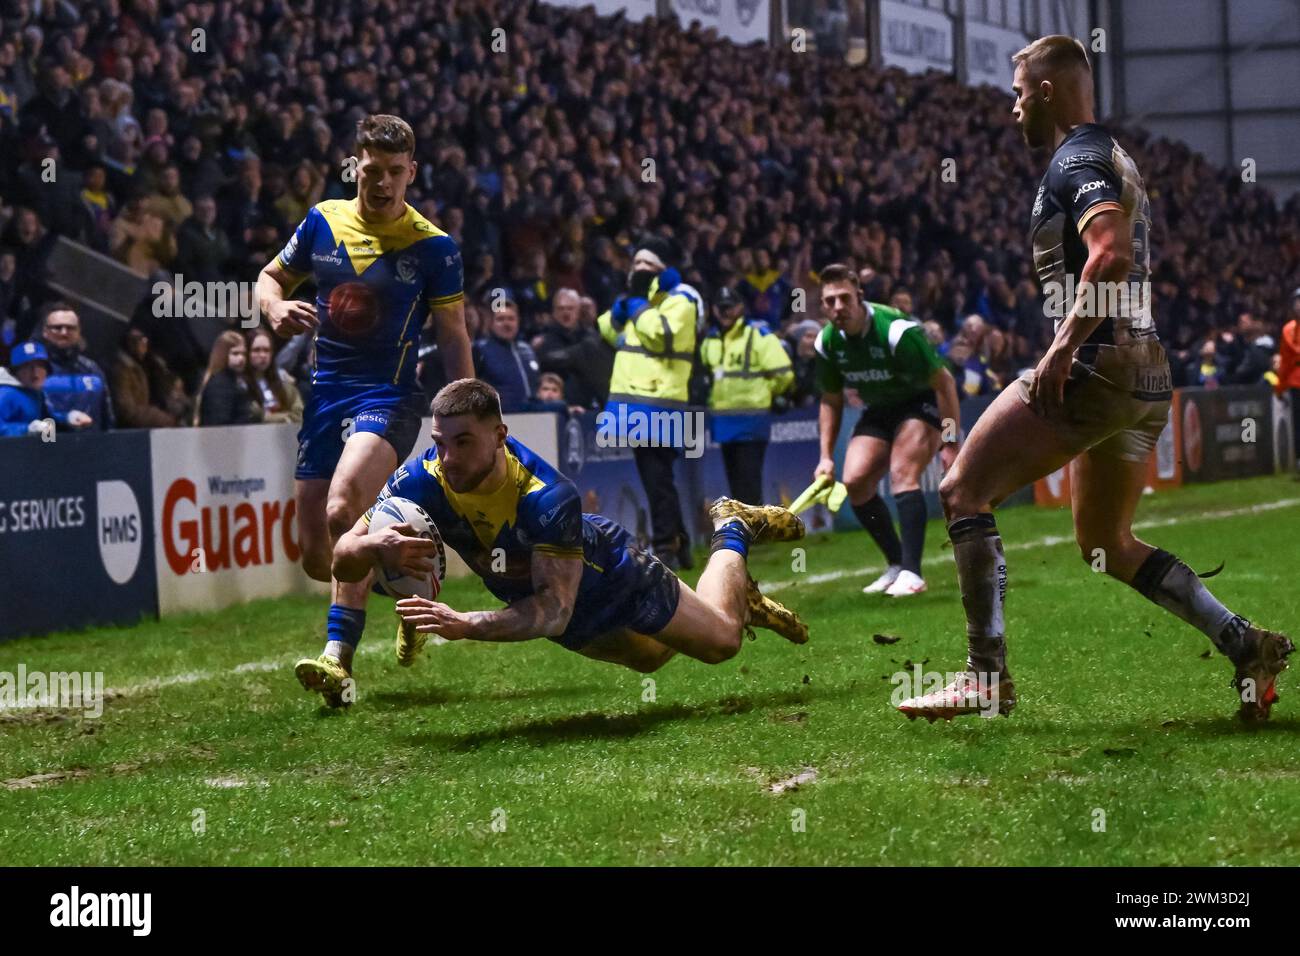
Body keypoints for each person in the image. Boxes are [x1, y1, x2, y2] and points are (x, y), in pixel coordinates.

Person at [899, 35, 1291, 723]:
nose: (1013, 108)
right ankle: (1243, 642)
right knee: (1106, 542)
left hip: (1097, 365)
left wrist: (1062, 347)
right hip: (1145, 372)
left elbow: (1106, 253)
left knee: (963, 489)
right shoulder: (1113, 156)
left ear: (1046, 91)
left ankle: (985, 676)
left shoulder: (1075, 157)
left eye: (1019, 93)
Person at [307, 379, 808, 707]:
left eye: (463, 442)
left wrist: (466, 625)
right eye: (439, 442)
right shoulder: (421, 479)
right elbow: (343, 562)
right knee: (650, 658)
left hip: (611, 575)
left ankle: (732, 527)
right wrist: (373, 550)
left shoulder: (546, 497)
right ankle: (743, 600)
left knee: (721, 642)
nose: (448, 457)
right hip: (548, 599)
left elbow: (552, 612)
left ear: (499, 435)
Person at [261, 115, 474, 695]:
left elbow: (454, 333)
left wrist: (468, 412)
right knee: (317, 557)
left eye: (395, 173)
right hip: (324, 395)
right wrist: (274, 309)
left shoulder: (433, 248)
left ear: (412, 172)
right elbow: (268, 277)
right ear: (356, 165)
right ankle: (411, 583)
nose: (382, 183)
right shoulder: (323, 220)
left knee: (343, 507)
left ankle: (338, 659)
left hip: (389, 396)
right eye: (372, 170)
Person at [813, 264, 961, 597]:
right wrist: (824, 457)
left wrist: (950, 442)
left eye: (844, 299)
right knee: (855, 482)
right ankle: (896, 564)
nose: (838, 307)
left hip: (921, 402)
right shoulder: (827, 343)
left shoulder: (897, 331)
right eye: (830, 301)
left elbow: (945, 383)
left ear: (859, 297)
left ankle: (913, 572)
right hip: (879, 409)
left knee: (902, 474)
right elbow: (830, 400)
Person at [597, 236, 705, 570]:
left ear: (664, 269)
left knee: (657, 480)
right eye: (636, 264)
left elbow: (662, 336)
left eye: (648, 265)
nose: (639, 270)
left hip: (661, 402)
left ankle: (666, 546)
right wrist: (627, 303)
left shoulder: (681, 298)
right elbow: (608, 330)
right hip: (637, 404)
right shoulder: (639, 301)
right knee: (660, 479)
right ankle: (680, 543)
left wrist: (637, 304)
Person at [700, 286, 794, 505]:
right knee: (735, 481)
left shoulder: (758, 335)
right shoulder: (709, 341)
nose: (725, 312)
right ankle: (747, 531)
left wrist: (766, 394)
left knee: (748, 480)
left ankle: (754, 531)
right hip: (723, 423)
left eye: (729, 307)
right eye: (720, 308)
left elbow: (784, 374)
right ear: (714, 310)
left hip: (752, 420)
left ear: (740, 308)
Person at [36, 302, 114, 430]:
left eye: (70, 328)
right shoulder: (34, 369)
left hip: (91, 445)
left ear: (78, 331)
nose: (64, 332)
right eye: (57, 327)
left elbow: (107, 414)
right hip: (50, 445)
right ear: (45, 331)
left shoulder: (91, 369)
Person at [532, 287, 611, 412]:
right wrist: (579, 353)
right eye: (561, 308)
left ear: (579, 310)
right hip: (560, 410)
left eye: (570, 308)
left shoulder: (590, 336)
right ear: (553, 312)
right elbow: (546, 360)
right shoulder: (543, 339)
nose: (566, 313)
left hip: (591, 408)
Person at [0, 341, 91, 437]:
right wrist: (27, 429)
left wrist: (68, 418)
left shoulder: (35, 393)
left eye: (40, 366)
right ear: (15, 371)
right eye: (27, 366)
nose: (35, 373)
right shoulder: (5, 394)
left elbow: (45, 420)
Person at [471, 293, 539, 413]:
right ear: (491, 323)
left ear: (518, 321)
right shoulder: (480, 350)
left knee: (560, 407)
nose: (506, 323)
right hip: (500, 414)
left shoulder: (526, 349)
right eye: (500, 319)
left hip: (533, 411)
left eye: (511, 319)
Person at [110, 325, 185, 428]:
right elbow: (127, 411)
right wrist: (160, 418)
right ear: (128, 342)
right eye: (137, 340)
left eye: (144, 339)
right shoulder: (122, 370)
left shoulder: (152, 363)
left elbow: (167, 389)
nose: (142, 344)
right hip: (135, 431)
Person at [195, 330, 263, 426]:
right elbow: (219, 424)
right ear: (223, 354)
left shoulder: (233, 380)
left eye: (243, 354)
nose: (241, 358)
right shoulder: (220, 385)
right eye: (235, 353)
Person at [246, 328, 302, 424]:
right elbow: (252, 414)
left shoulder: (283, 382)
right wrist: (284, 418)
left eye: (266, 350)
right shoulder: (241, 384)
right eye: (256, 350)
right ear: (247, 353)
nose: (263, 355)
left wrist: (274, 418)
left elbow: (299, 413)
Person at [1276, 289, 1300, 466]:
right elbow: (1285, 361)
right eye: (1297, 301)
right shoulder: (1289, 329)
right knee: (1298, 422)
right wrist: (1279, 386)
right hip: (1296, 380)